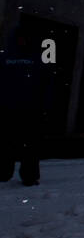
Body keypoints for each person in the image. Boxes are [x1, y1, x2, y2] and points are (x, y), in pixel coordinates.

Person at [0, 26, 45, 186]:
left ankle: (29, 176)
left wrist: (43, 103)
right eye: (20, 38)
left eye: (24, 38)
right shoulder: (6, 58)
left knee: (30, 146)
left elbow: (45, 84)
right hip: (9, 108)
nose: (22, 41)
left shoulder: (36, 59)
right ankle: (4, 172)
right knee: (7, 143)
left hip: (30, 109)